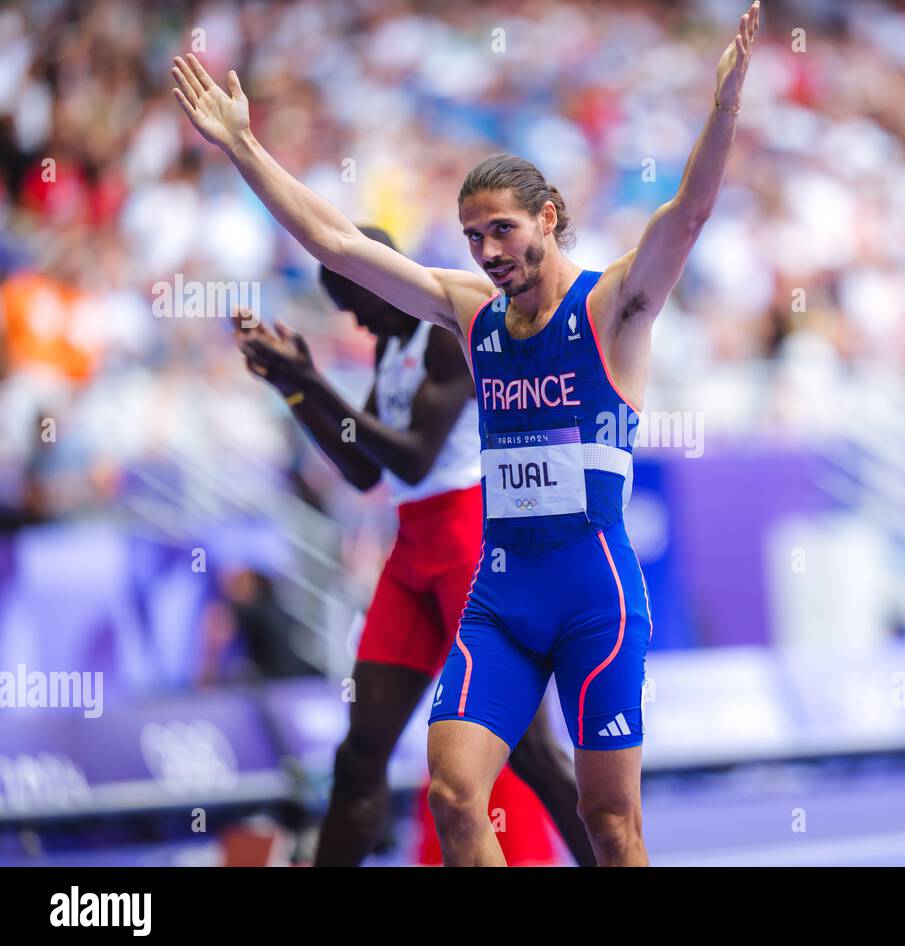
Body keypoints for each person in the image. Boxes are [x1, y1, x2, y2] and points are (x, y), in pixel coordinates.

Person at [173, 0, 759, 865]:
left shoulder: (614, 305)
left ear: (550, 217)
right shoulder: (470, 315)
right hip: (500, 595)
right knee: (454, 794)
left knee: (609, 824)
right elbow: (336, 242)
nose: (487, 252)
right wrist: (243, 148)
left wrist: (726, 106)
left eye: (503, 232)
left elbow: (692, 211)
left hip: (595, 595)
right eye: (473, 236)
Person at [230, 225, 594, 867]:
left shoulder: (447, 336)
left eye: (359, 304)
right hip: (414, 552)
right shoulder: (393, 345)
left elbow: (416, 457)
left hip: (471, 551)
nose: (360, 325)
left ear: (381, 279)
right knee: (360, 753)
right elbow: (365, 468)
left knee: (533, 752)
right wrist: (291, 385)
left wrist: (310, 381)